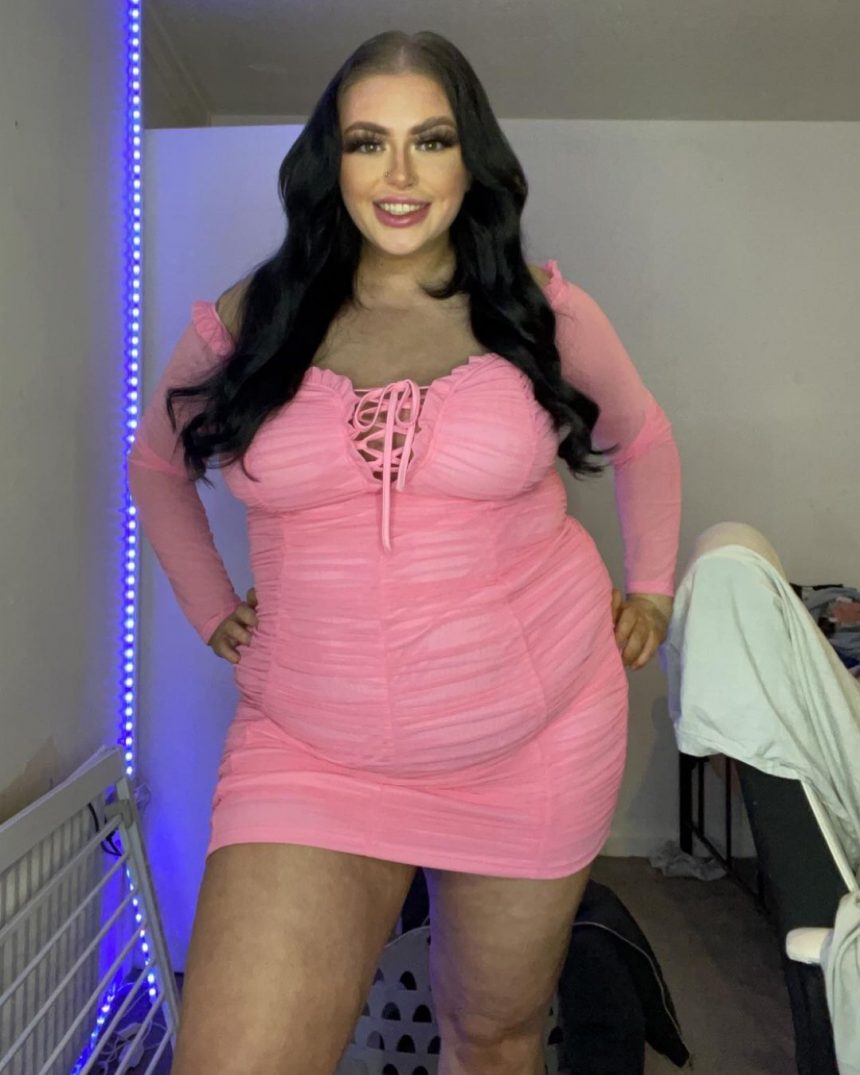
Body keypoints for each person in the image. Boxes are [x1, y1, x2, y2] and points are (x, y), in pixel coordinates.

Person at [129, 29, 681, 1075]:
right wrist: (209, 605)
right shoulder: (251, 320)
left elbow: (642, 437)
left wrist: (650, 587)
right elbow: (156, 464)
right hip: (308, 747)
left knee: (492, 1036)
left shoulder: (540, 313)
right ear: (329, 160)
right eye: (365, 142)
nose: (397, 175)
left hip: (533, 738)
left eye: (428, 140)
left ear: (470, 157)